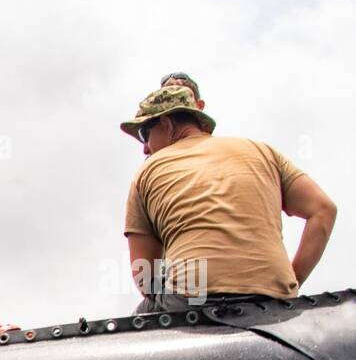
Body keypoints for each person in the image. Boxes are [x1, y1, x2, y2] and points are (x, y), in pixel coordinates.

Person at [121, 86, 338, 313]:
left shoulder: (147, 172)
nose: (145, 148)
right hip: (273, 296)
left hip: (194, 297)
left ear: (167, 123)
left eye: (145, 134)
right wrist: (292, 283)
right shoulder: (262, 151)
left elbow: (145, 275)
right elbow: (324, 210)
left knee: (138, 321)